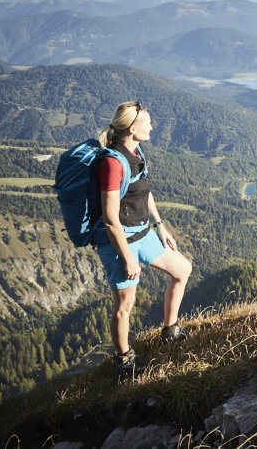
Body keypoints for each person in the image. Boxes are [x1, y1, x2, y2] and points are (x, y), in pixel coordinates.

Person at [93, 101, 193, 380]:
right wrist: (127, 258)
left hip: (143, 232)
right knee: (125, 304)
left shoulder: (136, 153)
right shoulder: (113, 163)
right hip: (120, 242)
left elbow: (143, 192)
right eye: (147, 123)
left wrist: (161, 226)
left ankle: (170, 331)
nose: (152, 126)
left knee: (182, 270)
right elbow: (111, 219)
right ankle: (125, 361)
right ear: (132, 128)